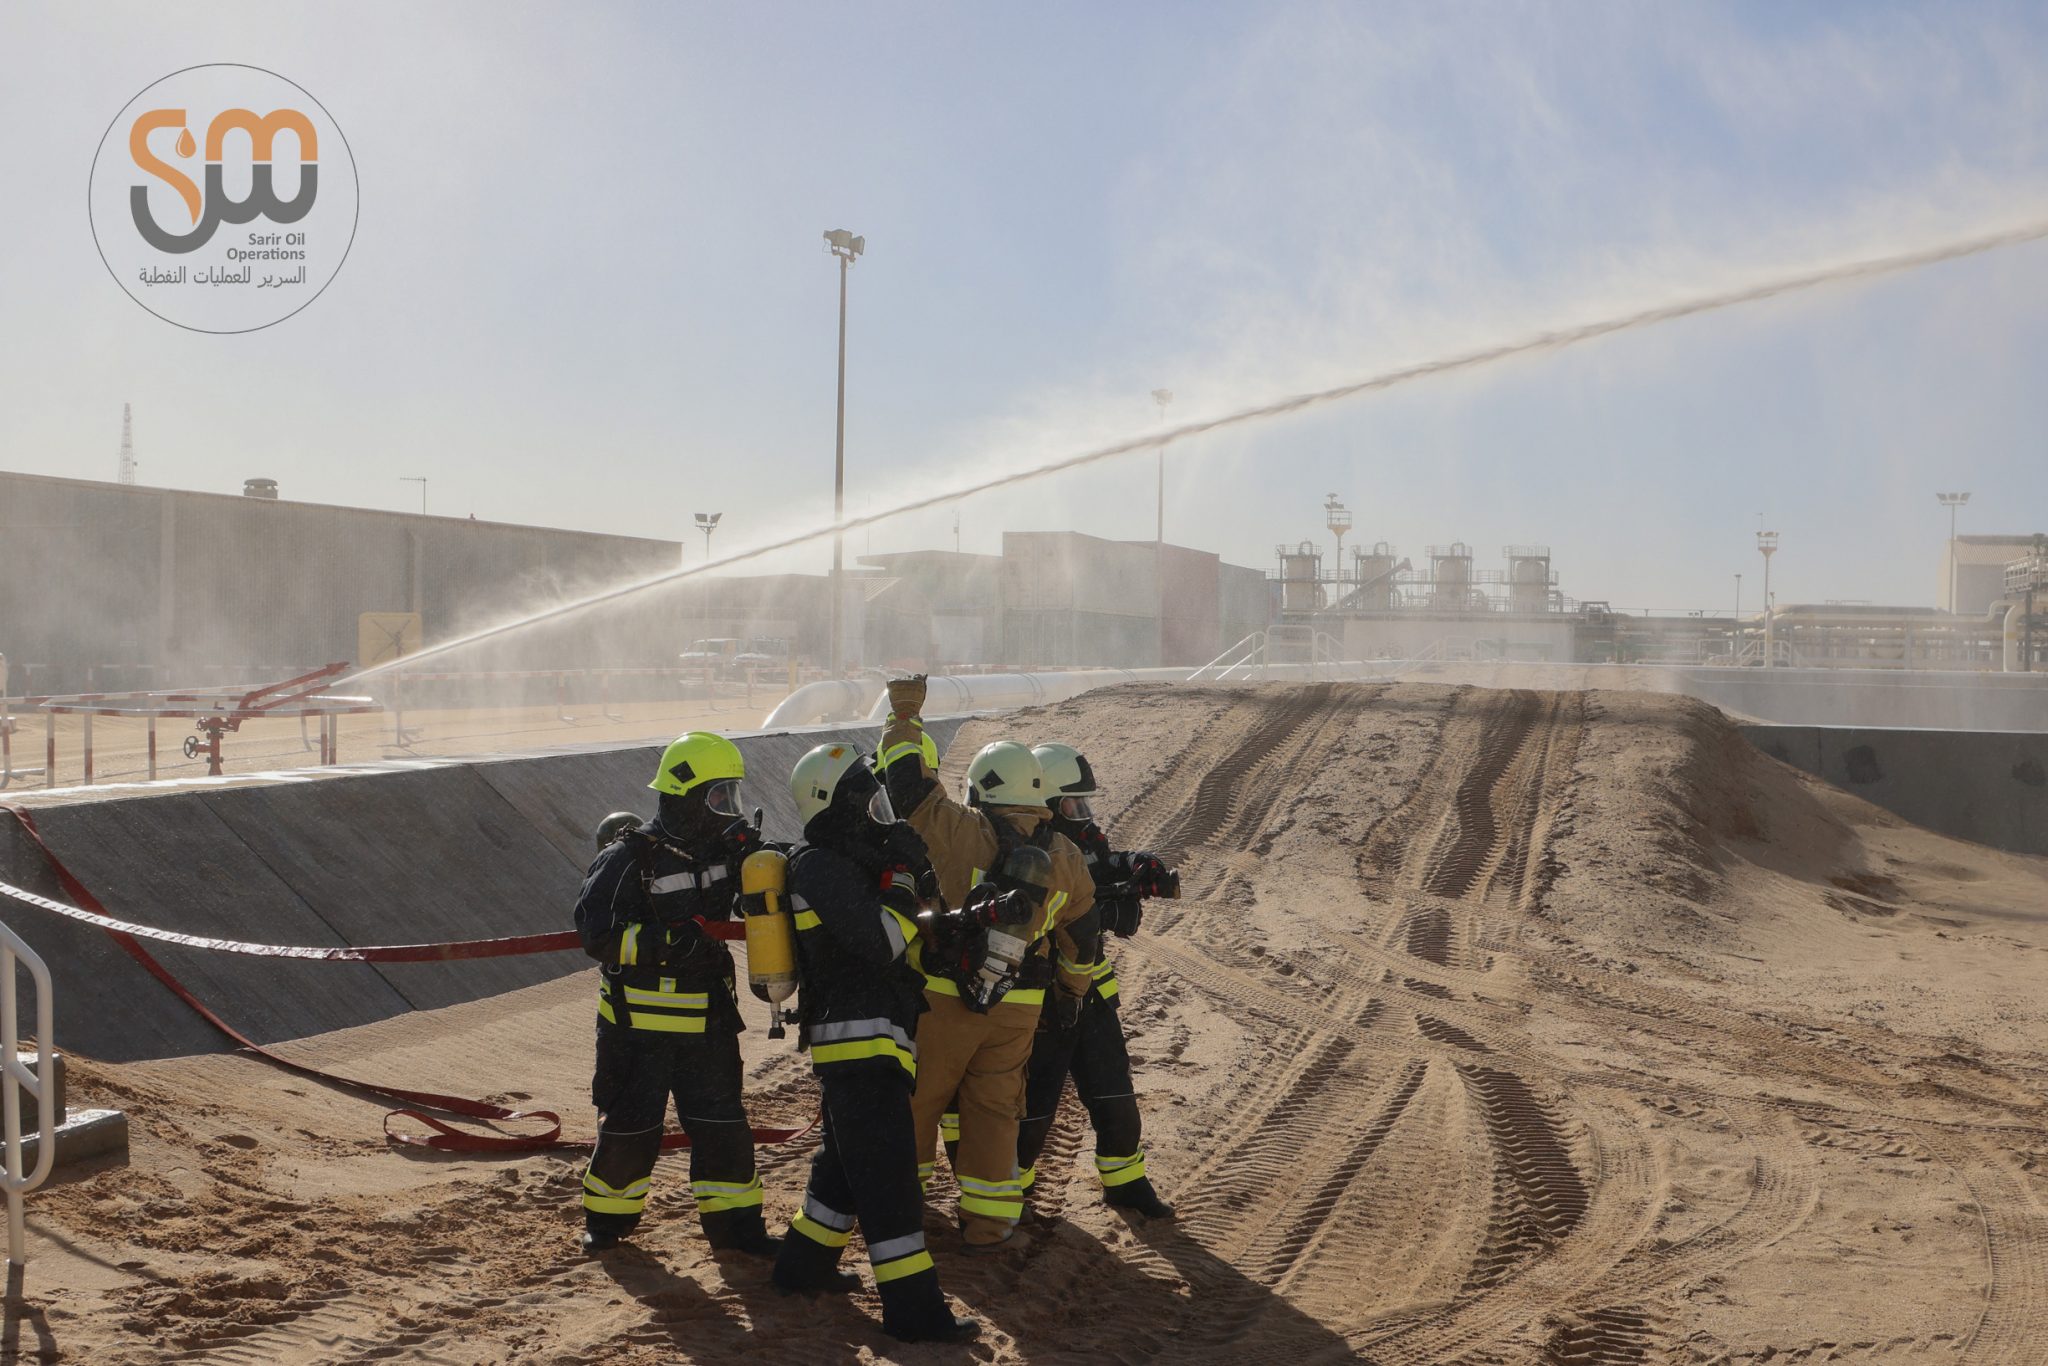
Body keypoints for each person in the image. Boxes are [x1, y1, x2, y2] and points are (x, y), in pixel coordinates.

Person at [769, 743, 982, 1344]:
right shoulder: (818, 866)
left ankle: (801, 1266)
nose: (879, 811)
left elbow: (909, 936)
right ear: (836, 804)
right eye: (867, 799)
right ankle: (914, 1310)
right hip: (857, 1042)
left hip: (877, 1038)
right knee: (890, 1182)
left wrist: (941, 911)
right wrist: (904, 880)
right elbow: (882, 941)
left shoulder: (851, 862)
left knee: (843, 1166)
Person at [876, 676, 1094, 1251]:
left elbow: (905, 784)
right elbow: (1083, 937)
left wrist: (905, 716)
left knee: (920, 1100)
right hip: (1019, 1007)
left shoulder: (956, 829)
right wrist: (1071, 995)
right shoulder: (1066, 855)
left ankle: (903, 1213)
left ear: (982, 788)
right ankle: (991, 1224)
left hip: (943, 998)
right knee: (996, 1110)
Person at [572, 731, 779, 1257]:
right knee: (630, 1129)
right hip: (636, 1031)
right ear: (685, 795)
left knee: (723, 1128)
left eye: (731, 795)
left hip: (707, 1025)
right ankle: (607, 1225)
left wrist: (759, 862)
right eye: (718, 796)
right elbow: (596, 934)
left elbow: (761, 905)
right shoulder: (627, 858)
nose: (727, 808)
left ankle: (738, 1229)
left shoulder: (723, 854)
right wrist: (666, 944)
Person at [1016, 742, 1179, 1220]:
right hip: (1043, 1002)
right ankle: (1009, 1196)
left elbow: (1102, 866)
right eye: (1072, 804)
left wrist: (1137, 865)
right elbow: (1041, 917)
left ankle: (1126, 1184)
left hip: (1092, 996)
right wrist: (1103, 912)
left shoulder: (1082, 842)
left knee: (1115, 1096)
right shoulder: (1025, 853)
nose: (1082, 814)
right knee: (1033, 1110)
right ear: (1046, 804)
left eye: (1082, 803)